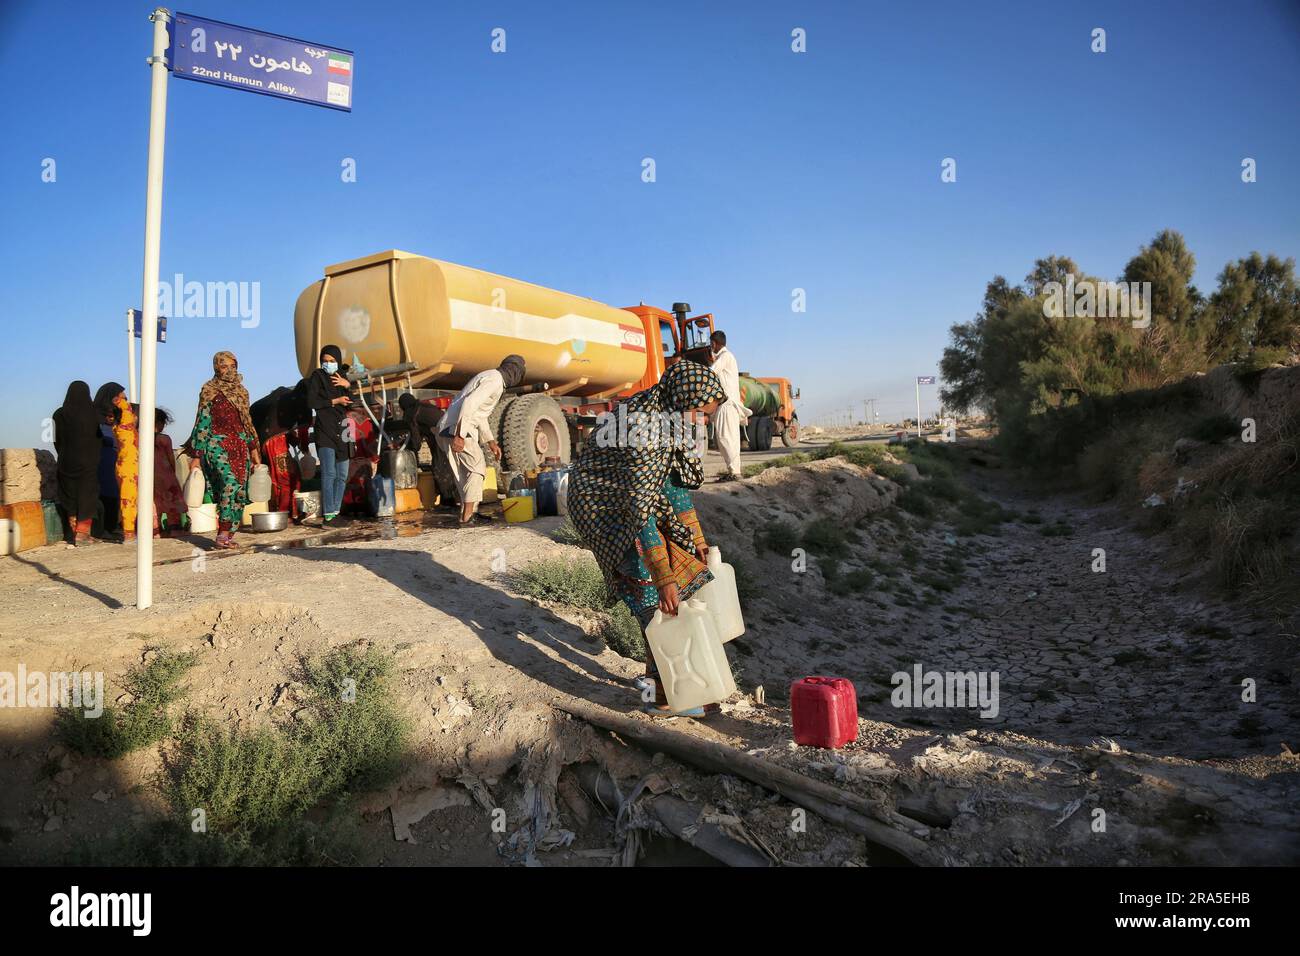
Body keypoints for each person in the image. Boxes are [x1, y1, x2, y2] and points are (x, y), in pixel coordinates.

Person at [568, 360, 728, 717]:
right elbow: (638, 512)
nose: (700, 421)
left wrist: (696, 538)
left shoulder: (668, 417)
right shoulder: (644, 428)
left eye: (705, 416)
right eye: (699, 413)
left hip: (633, 500)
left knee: (668, 594)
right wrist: (663, 576)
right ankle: (663, 697)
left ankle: (669, 681)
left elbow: (671, 485)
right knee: (652, 597)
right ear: (683, 399)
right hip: (602, 505)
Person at [183, 351, 261, 549]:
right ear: (216, 368)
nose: (229, 371)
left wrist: (253, 449)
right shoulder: (209, 389)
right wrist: (196, 456)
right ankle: (222, 534)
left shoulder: (242, 392)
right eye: (224, 367)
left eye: (232, 366)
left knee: (240, 492)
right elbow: (203, 422)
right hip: (216, 444)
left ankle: (229, 535)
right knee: (229, 485)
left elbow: (246, 422)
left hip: (241, 446)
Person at [435, 355, 525, 525]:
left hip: (447, 427)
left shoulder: (491, 377)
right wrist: (460, 435)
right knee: (477, 468)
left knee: (464, 474)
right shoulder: (495, 381)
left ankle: (465, 515)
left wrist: (491, 441)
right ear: (514, 371)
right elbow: (469, 404)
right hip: (457, 429)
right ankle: (469, 516)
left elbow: (479, 413)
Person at [306, 345, 353, 527]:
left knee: (342, 474)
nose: (328, 364)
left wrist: (347, 386)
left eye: (332, 361)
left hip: (343, 428)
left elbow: (353, 401)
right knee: (329, 473)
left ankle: (336, 511)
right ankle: (328, 515)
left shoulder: (342, 377)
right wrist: (335, 401)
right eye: (325, 361)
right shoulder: (317, 377)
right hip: (325, 429)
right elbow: (311, 401)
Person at [52, 381, 103, 546]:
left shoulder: (59, 414)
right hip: (87, 461)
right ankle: (82, 534)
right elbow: (98, 437)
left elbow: (57, 439)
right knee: (87, 495)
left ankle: (73, 532)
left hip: (66, 460)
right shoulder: (93, 413)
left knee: (70, 496)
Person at [708, 330, 749, 481]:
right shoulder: (725, 357)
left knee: (726, 438)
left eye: (711, 343)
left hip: (727, 404)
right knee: (726, 438)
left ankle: (735, 473)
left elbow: (711, 372)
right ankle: (733, 471)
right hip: (726, 405)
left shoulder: (725, 357)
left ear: (714, 343)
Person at [152, 408, 186, 536]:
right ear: (159, 423)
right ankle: (175, 529)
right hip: (166, 474)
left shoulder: (139, 437)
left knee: (154, 502)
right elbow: (171, 457)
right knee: (172, 502)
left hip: (149, 475)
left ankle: (155, 530)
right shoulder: (164, 439)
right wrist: (173, 471)